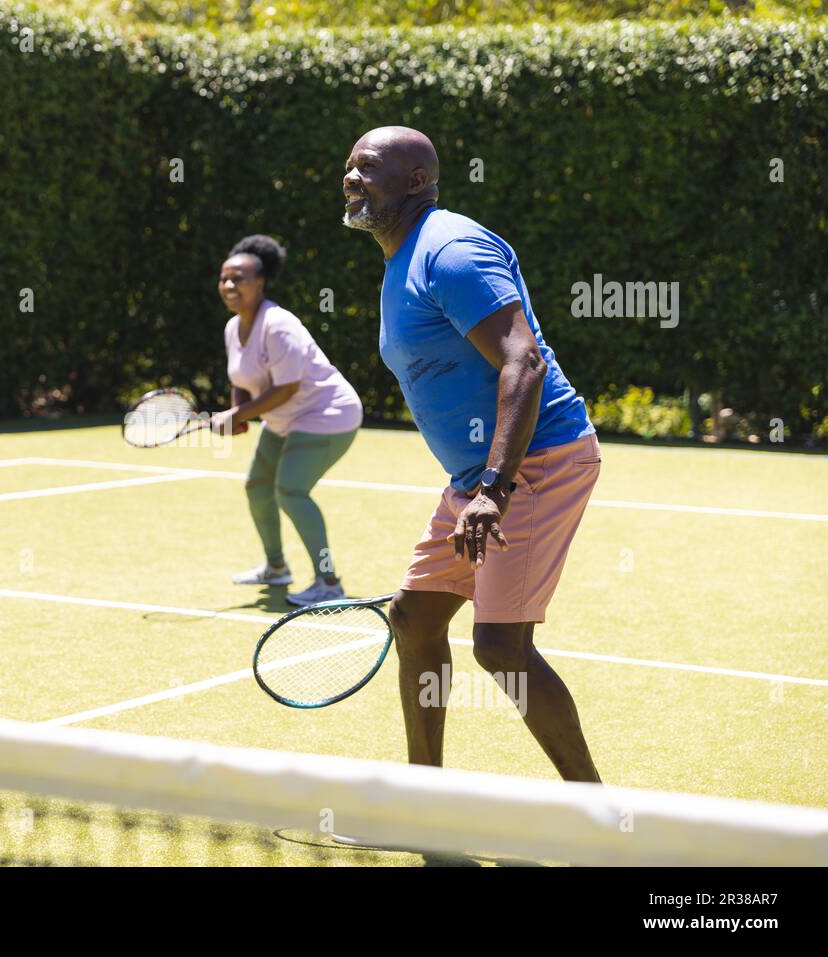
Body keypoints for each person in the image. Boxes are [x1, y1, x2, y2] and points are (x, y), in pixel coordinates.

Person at [341, 127, 603, 782]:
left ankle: (599, 817)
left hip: (533, 462)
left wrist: (494, 488)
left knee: (501, 647)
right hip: (476, 477)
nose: (351, 176)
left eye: (368, 167)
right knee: (416, 618)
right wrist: (478, 483)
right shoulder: (401, 257)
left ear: (417, 180)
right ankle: (427, 801)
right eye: (348, 165)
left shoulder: (450, 250)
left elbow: (524, 361)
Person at [210, 234, 364, 607]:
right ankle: (276, 568)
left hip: (327, 413)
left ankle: (329, 583)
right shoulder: (234, 328)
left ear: (260, 283)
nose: (230, 285)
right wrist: (239, 410)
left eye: (239, 278)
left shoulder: (278, 325)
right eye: (225, 278)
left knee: (291, 491)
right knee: (257, 487)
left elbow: (287, 387)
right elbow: (242, 381)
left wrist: (237, 415)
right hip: (285, 419)